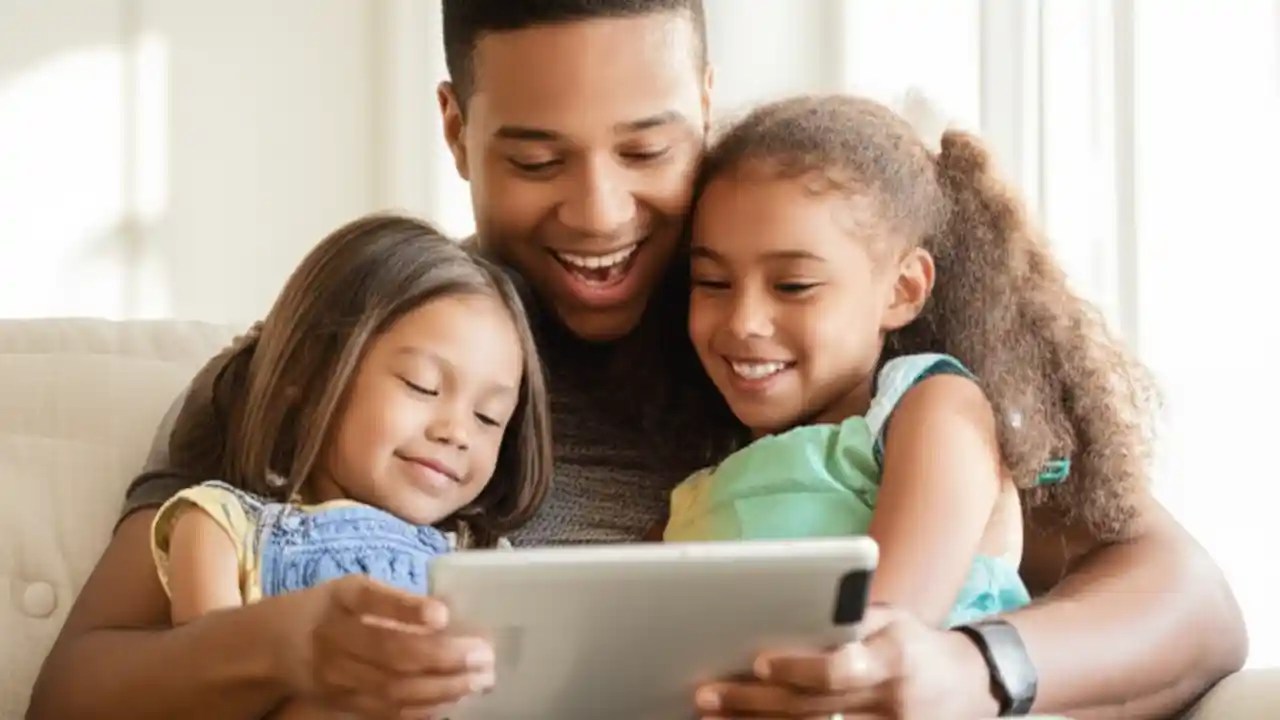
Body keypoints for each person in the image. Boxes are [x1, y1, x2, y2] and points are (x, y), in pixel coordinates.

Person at [26, 2, 1246, 719]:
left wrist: (965, 670)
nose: (600, 215)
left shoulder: (806, 351)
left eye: (647, 149)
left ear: (705, 102)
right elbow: (75, 686)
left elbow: (1188, 603)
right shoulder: (346, 360)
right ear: (456, 127)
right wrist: (287, 646)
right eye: (539, 160)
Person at [145, 213, 552, 717]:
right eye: (423, 386)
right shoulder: (220, 526)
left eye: (489, 418)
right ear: (310, 377)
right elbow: (205, 695)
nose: (457, 432)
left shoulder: (489, 565)